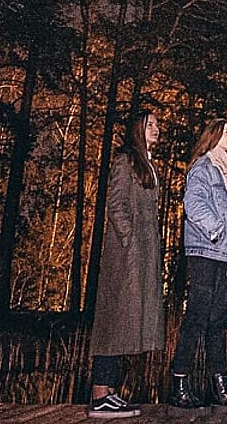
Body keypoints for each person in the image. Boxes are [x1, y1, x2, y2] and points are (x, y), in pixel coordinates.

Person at [88, 112, 165, 418]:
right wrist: (129, 240)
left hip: (140, 254)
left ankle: (109, 391)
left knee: (125, 323)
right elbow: (116, 203)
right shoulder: (125, 160)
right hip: (125, 256)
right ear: (137, 130)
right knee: (114, 320)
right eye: (150, 124)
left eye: (157, 125)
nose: (156, 129)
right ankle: (99, 394)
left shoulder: (146, 162)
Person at [168, 118, 227, 408]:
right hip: (204, 250)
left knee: (218, 319)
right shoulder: (203, 167)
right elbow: (193, 203)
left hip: (221, 253)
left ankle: (221, 385)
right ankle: (179, 382)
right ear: (213, 136)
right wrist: (216, 229)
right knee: (198, 316)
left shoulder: (224, 171)